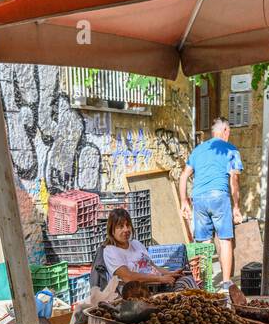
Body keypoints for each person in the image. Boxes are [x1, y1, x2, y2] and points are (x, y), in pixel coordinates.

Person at [179, 118, 243, 289]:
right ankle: (226, 282)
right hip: (219, 197)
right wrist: (236, 207)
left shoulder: (198, 150)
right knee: (225, 240)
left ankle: (206, 285)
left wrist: (184, 201)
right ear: (225, 131)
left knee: (204, 242)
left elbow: (183, 176)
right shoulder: (231, 150)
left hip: (198, 198)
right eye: (228, 131)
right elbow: (234, 179)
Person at [94, 208, 192, 289]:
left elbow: (153, 267)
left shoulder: (136, 244)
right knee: (182, 288)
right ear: (112, 231)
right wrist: (160, 279)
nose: (126, 229)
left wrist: (171, 273)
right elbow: (128, 277)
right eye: (120, 226)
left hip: (157, 286)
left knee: (187, 280)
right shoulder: (110, 251)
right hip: (136, 293)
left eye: (128, 225)